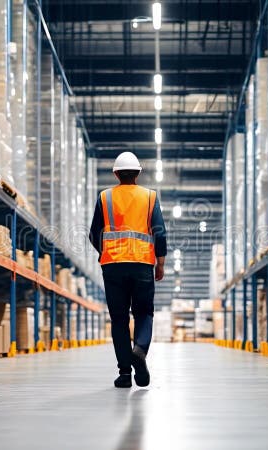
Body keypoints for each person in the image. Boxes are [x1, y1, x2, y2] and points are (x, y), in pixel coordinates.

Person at [89, 151, 167, 388]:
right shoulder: (150, 197)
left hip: (113, 265)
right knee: (144, 313)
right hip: (142, 264)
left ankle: (124, 374)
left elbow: (94, 233)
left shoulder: (105, 197)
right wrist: (160, 262)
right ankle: (140, 350)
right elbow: (160, 232)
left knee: (119, 319)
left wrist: (105, 252)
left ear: (115, 173)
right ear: (138, 174)